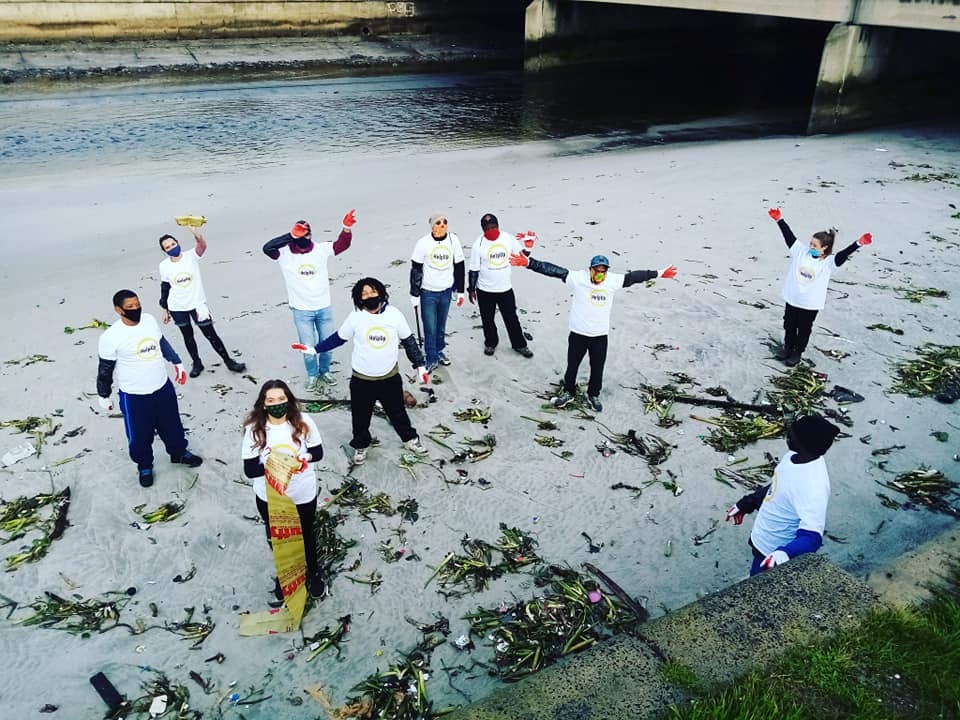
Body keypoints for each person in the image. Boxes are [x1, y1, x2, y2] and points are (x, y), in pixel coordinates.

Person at [510, 252, 677, 412]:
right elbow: (553, 270)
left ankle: (593, 395)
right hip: (578, 334)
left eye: (603, 271)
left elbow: (634, 277)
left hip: (599, 336)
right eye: (597, 270)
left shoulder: (612, 281)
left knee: (597, 368)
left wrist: (660, 273)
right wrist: (529, 263)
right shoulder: (578, 278)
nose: (600, 274)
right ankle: (569, 392)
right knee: (572, 366)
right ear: (590, 269)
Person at [293, 277, 429, 466]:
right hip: (362, 380)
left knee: (397, 412)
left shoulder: (394, 314)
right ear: (358, 298)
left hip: (389, 378)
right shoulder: (356, 316)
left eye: (372, 292)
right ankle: (361, 445)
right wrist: (315, 349)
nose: (369, 296)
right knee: (360, 417)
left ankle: (410, 439)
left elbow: (409, 341)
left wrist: (419, 365)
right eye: (364, 294)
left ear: (381, 293)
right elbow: (339, 338)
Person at [96, 290, 202, 487]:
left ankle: (178, 453)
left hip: (162, 386)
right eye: (129, 307)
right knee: (139, 435)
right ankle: (144, 464)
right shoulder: (111, 337)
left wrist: (177, 362)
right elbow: (105, 370)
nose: (135, 309)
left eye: (137, 305)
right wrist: (104, 395)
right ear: (118, 310)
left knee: (172, 424)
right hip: (135, 395)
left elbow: (161, 343)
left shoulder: (149, 321)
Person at [725, 414, 840, 576]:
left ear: (803, 442)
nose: (788, 435)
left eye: (792, 433)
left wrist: (785, 553)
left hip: (773, 555)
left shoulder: (813, 486)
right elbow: (777, 487)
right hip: (761, 540)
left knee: (758, 589)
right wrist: (746, 504)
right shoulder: (793, 458)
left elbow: (812, 537)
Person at [242, 379, 326, 600]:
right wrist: (278, 467)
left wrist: (304, 458)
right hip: (270, 497)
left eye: (281, 399)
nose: (276, 404)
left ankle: (313, 571)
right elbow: (250, 469)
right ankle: (286, 574)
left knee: (306, 533)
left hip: (302, 493)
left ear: (288, 400)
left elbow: (317, 452)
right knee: (279, 538)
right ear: (263, 404)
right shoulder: (254, 429)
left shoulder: (303, 421)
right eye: (271, 400)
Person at [264, 210, 357, 391]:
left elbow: (342, 245)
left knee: (326, 345)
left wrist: (346, 228)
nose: (304, 238)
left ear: (311, 234)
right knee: (307, 348)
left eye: (306, 234)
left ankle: (325, 371)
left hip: (324, 308)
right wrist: (290, 236)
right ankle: (313, 375)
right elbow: (267, 248)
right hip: (301, 311)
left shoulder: (321, 249)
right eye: (299, 235)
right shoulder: (284, 254)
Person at [769, 208, 873, 366]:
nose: (810, 246)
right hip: (793, 298)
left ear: (824, 248)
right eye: (811, 243)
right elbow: (788, 236)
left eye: (815, 245)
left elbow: (843, 254)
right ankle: (788, 347)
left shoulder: (829, 262)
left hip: (810, 303)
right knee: (789, 324)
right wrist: (779, 219)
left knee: (803, 328)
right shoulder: (800, 251)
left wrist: (858, 243)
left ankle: (797, 353)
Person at [158, 227, 246, 378]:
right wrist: (165, 309)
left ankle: (229, 361)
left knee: (210, 334)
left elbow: (202, 246)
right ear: (164, 251)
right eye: (167, 247)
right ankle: (197, 363)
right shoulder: (164, 266)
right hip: (177, 307)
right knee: (188, 336)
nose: (171, 248)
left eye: (173, 244)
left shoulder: (191, 255)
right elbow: (165, 288)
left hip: (197, 304)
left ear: (177, 243)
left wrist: (195, 232)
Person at [467, 213, 534, 358]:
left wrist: (528, 246)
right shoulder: (478, 244)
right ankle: (491, 343)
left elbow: (522, 256)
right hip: (484, 289)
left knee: (511, 318)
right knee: (487, 319)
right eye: (487, 228)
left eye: (493, 226)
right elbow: (473, 269)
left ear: (498, 226)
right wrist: (471, 289)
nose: (491, 230)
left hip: (504, 288)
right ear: (483, 230)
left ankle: (520, 345)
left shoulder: (508, 238)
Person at [409, 212, 466, 372]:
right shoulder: (423, 243)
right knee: (430, 326)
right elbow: (416, 269)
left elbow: (459, 265)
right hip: (428, 292)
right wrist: (414, 294)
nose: (442, 226)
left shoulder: (453, 240)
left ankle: (439, 351)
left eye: (445, 222)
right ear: (433, 226)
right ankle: (431, 357)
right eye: (439, 223)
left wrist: (460, 291)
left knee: (441, 325)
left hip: (446, 291)